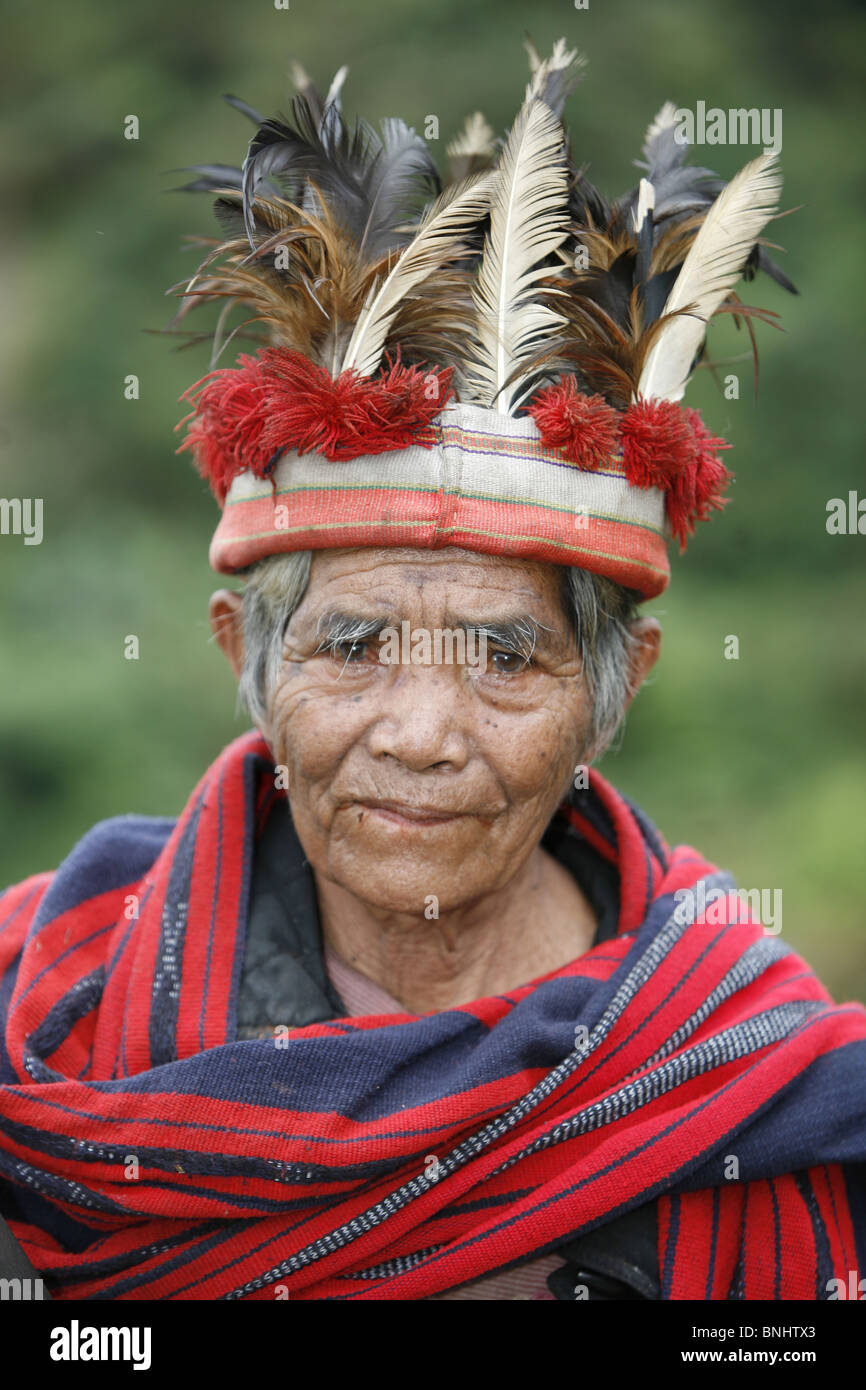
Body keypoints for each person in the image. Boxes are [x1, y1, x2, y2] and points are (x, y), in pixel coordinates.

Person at [1, 42, 864, 1302]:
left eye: (507, 659)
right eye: (350, 647)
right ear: (245, 654)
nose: (418, 732)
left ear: (612, 696)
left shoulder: (747, 1074)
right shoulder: (43, 1008)